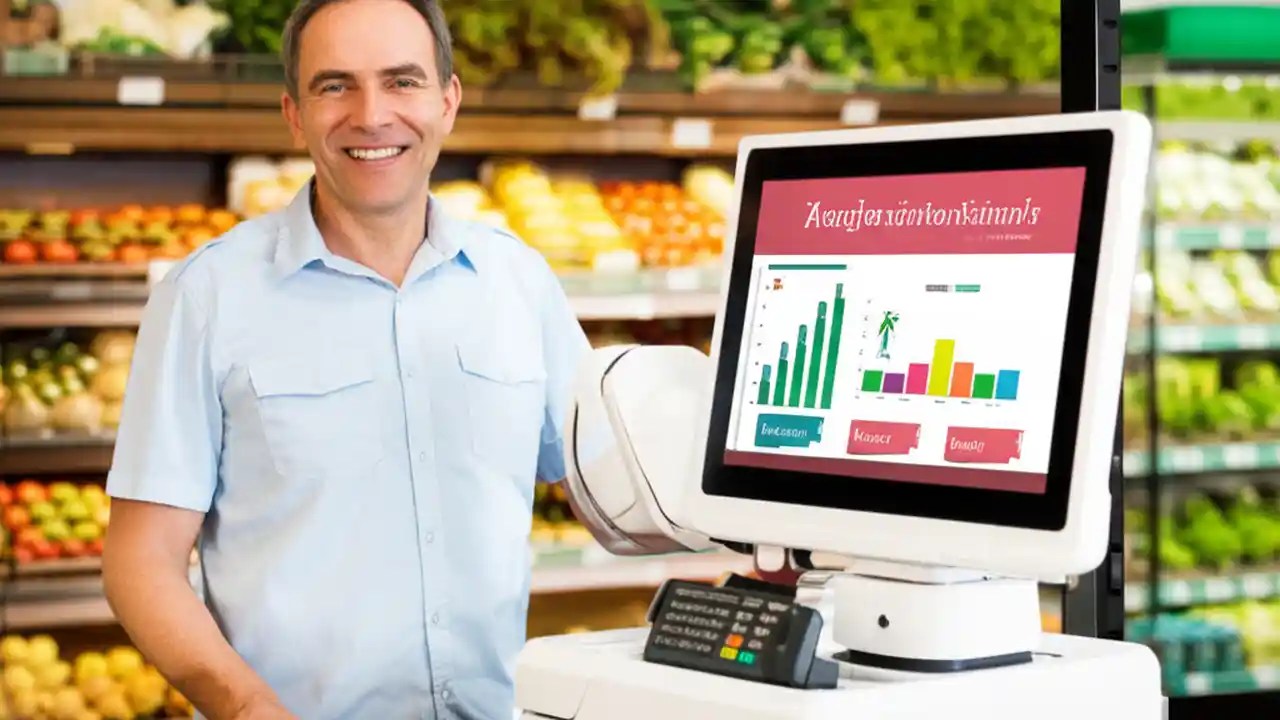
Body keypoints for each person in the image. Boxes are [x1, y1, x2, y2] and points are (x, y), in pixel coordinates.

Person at [101, 0, 589, 718]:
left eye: (402, 82)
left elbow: (614, 487)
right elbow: (140, 561)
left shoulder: (519, 282)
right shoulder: (206, 296)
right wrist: (242, 705)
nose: (371, 114)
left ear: (447, 102)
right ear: (295, 114)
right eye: (335, 86)